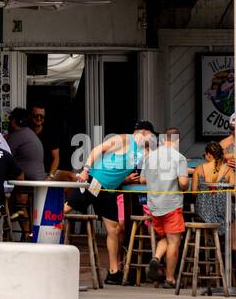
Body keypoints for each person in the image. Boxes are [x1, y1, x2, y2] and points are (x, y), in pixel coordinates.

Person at [66, 120, 156, 285]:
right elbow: (97, 149)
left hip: (109, 190)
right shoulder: (124, 139)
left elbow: (153, 160)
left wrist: (125, 179)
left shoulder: (144, 151)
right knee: (64, 209)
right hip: (95, 181)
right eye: (151, 134)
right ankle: (44, 235)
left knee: (114, 230)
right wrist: (85, 170)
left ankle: (114, 272)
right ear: (144, 132)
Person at [138, 127, 189, 289]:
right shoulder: (179, 158)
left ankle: (157, 258)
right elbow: (183, 183)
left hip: (154, 205)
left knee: (164, 239)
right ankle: (169, 279)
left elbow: (142, 180)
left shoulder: (150, 158)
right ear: (177, 141)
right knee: (174, 241)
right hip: (172, 205)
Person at [6, 108, 45, 238]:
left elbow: (6, 157)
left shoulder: (15, 136)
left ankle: (26, 233)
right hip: (38, 178)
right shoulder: (29, 133)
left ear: (13, 121)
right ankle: (23, 232)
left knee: (15, 201)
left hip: (27, 179)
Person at [191, 140, 234, 254]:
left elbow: (194, 193)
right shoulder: (228, 170)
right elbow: (234, 192)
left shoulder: (199, 169)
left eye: (205, 155)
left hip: (203, 211)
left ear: (209, 154)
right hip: (224, 211)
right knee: (234, 214)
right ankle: (227, 249)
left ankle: (210, 247)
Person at [30, 103, 62, 178]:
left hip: (48, 172)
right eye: (36, 115)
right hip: (30, 173)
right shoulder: (26, 132)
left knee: (73, 177)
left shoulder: (50, 134)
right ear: (31, 116)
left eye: (41, 116)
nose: (39, 118)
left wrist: (50, 176)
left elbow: (56, 158)